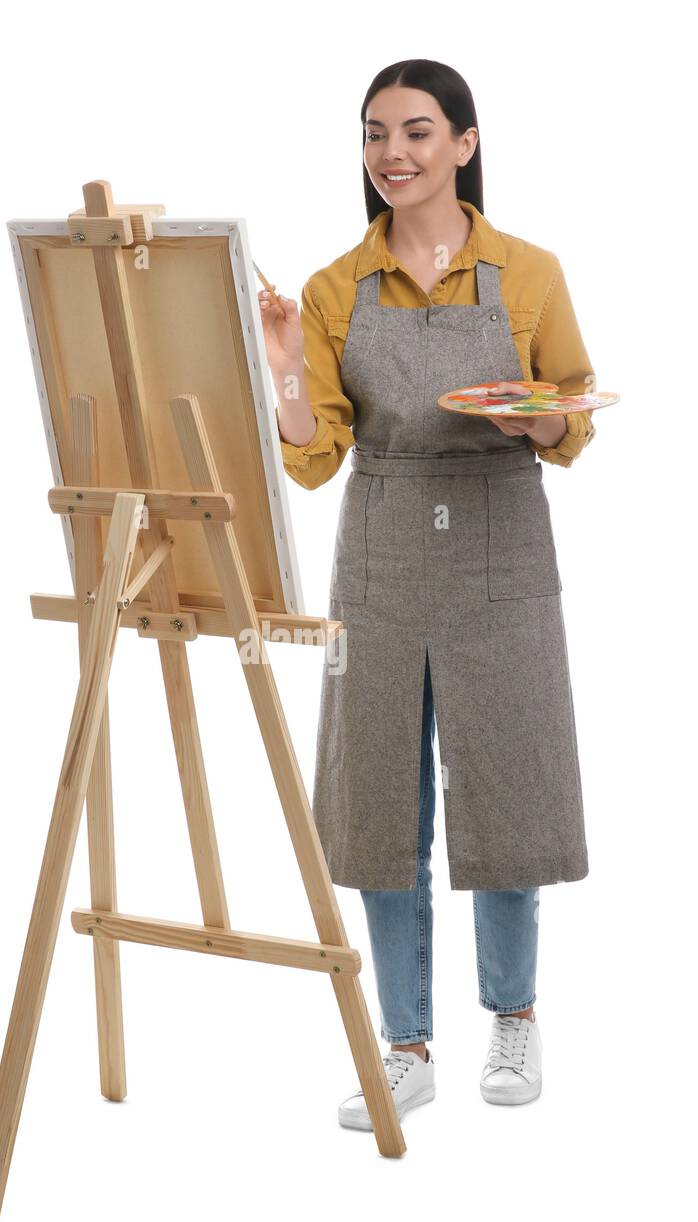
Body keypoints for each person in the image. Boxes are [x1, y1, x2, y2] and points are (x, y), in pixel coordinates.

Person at [258, 59, 596, 1127]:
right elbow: (314, 460)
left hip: (501, 532)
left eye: (414, 131)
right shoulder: (329, 290)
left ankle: (514, 1013)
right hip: (384, 542)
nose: (391, 153)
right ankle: (401, 1042)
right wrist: (279, 370)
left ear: (465, 141)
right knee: (378, 793)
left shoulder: (529, 272)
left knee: (509, 776)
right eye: (373, 135)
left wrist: (534, 421)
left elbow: (572, 411)